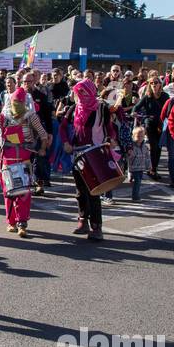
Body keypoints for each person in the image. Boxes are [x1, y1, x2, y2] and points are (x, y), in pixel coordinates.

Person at [0, 87, 48, 237]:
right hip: (7, 160)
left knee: (24, 192)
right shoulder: (3, 116)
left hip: (24, 159)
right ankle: (11, 222)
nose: (17, 105)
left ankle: (22, 223)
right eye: (15, 102)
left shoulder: (30, 116)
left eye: (20, 102)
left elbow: (43, 135)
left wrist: (43, 149)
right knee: (9, 193)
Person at [61, 79, 118, 240]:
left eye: (84, 93)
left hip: (95, 153)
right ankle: (82, 220)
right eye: (79, 93)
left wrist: (111, 139)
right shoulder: (73, 109)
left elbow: (109, 128)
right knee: (80, 191)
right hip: (78, 154)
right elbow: (63, 127)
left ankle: (96, 227)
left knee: (94, 190)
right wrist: (65, 142)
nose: (81, 96)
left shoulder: (101, 108)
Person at [127, 125, 150, 201]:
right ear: (133, 136)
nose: (140, 138)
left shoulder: (145, 147)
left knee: (138, 181)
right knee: (137, 182)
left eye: (142, 136)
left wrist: (149, 165)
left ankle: (132, 179)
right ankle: (135, 196)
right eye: (138, 136)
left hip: (141, 167)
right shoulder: (131, 146)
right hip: (134, 167)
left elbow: (147, 157)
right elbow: (128, 158)